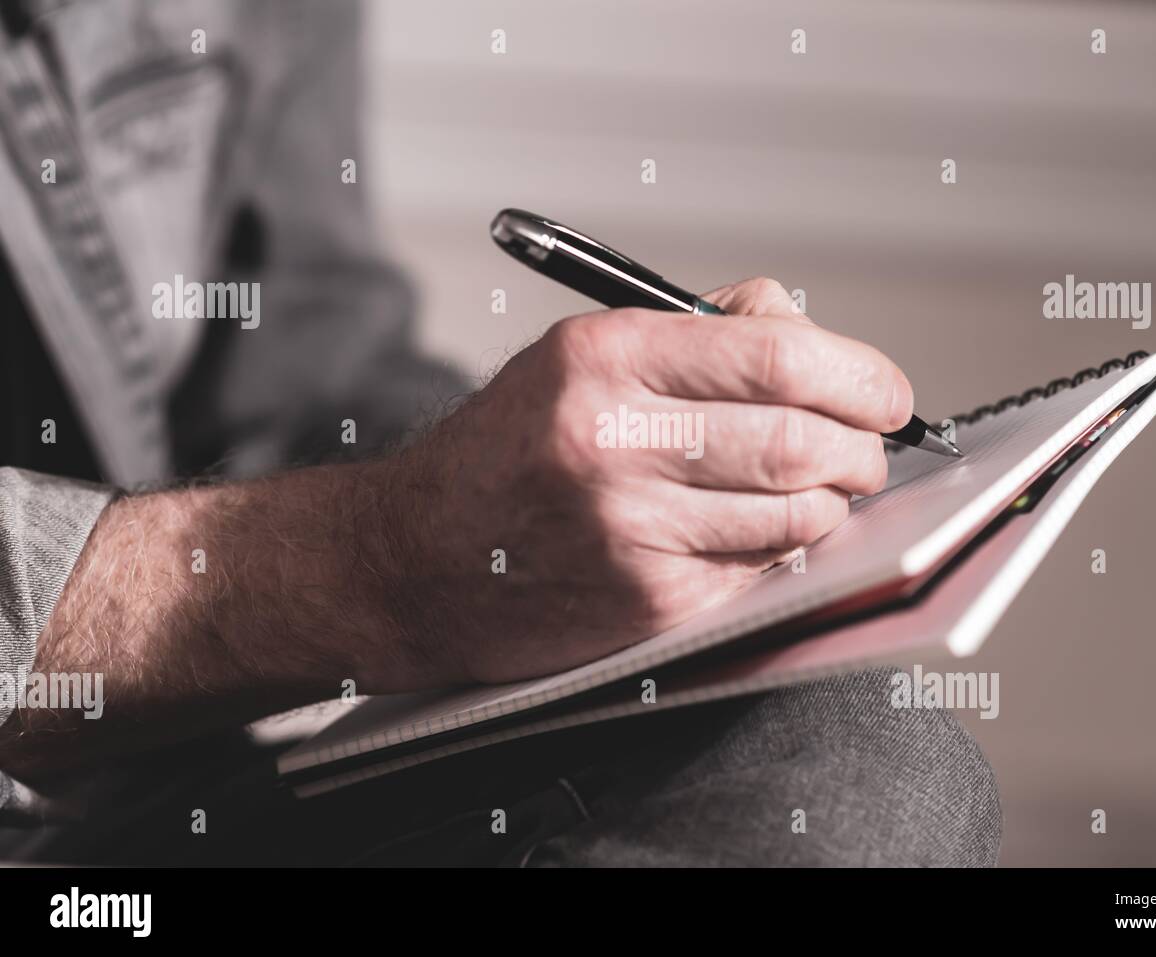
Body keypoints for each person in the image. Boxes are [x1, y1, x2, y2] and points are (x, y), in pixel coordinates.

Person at [0, 0, 1000, 865]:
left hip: (150, 787)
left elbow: (313, 376)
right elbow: (376, 538)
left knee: (849, 745)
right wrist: (386, 561)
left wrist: (572, 484)